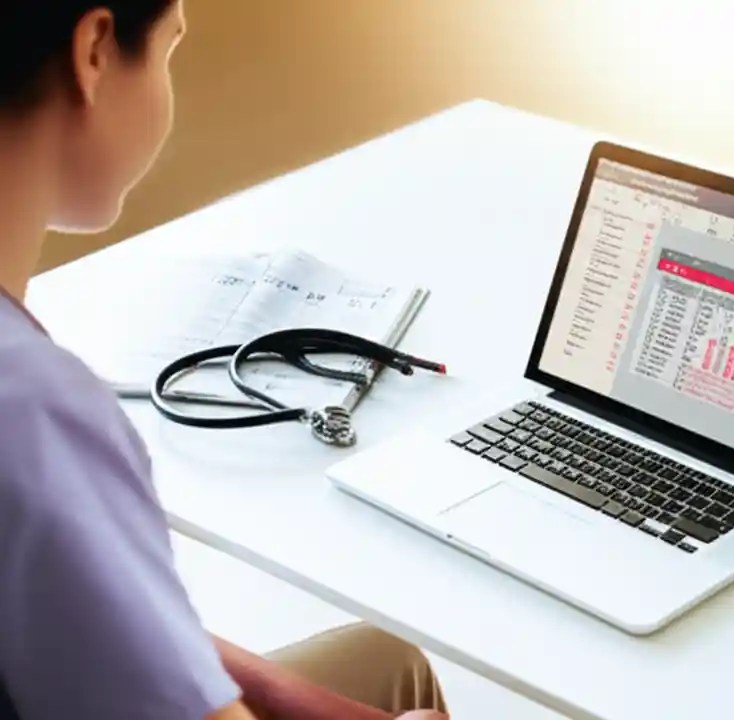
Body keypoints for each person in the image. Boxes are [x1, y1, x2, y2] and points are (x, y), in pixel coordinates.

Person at [0, 2, 449, 719]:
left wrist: (277, 694)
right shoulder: (36, 415)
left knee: (383, 660)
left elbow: (105, 616)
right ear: (94, 52)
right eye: (171, 48)